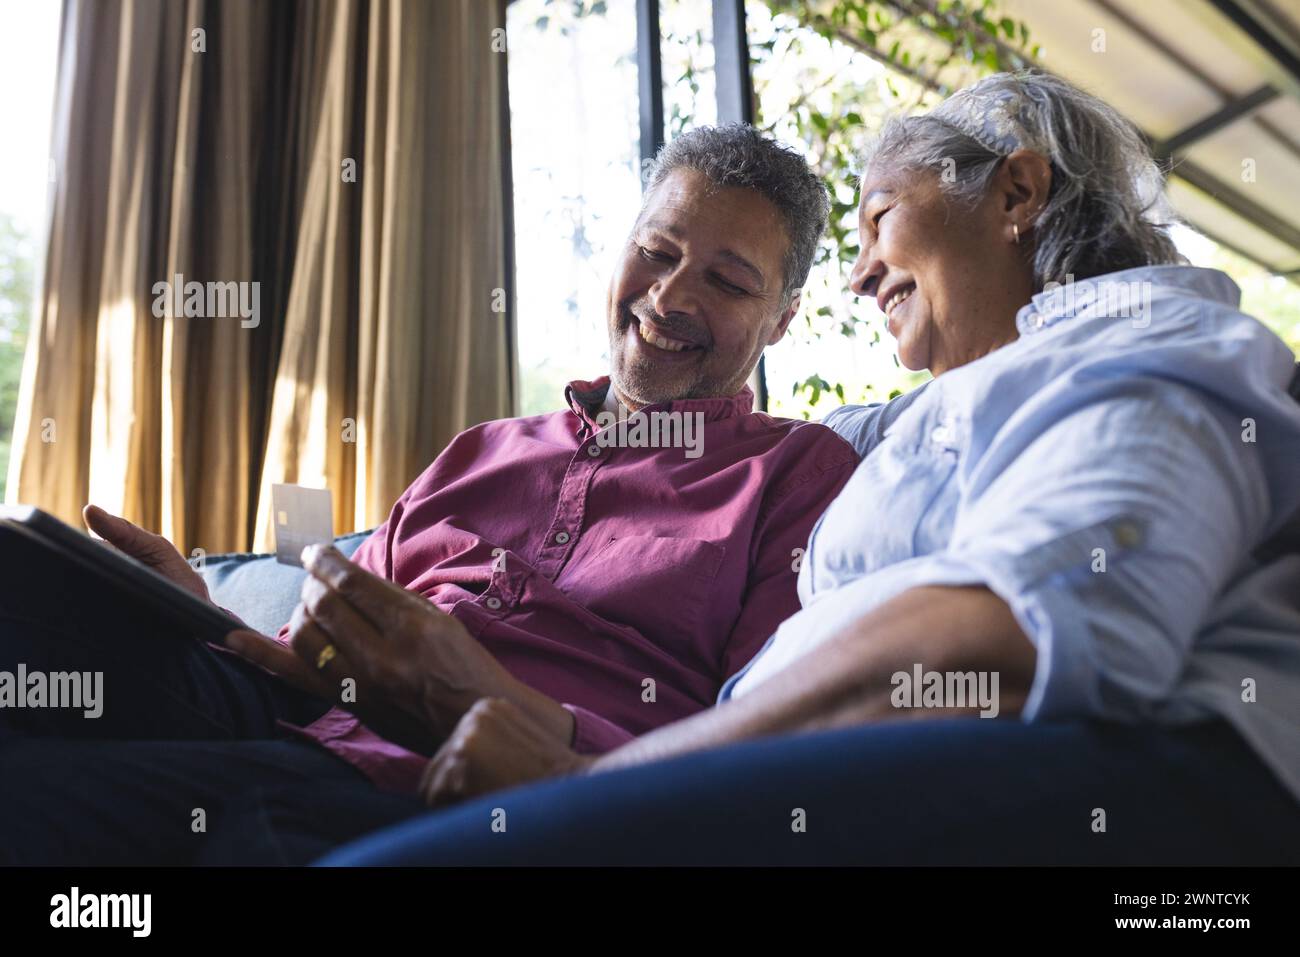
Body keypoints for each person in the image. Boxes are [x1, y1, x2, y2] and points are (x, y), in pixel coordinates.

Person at [247, 71, 1300, 866]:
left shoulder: (1144, 345)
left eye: (880, 212)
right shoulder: (942, 413)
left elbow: (1023, 630)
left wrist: (589, 776)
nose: (857, 270)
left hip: (1104, 780)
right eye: (657, 253)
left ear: (1017, 190)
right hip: (820, 769)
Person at [0, 125, 860, 865]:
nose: (670, 296)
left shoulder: (799, 473)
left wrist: (503, 710)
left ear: (781, 318)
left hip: (474, 786)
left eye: (729, 281)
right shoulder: (481, 450)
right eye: (657, 252)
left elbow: (764, 745)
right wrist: (197, 615)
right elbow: (314, 661)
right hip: (294, 720)